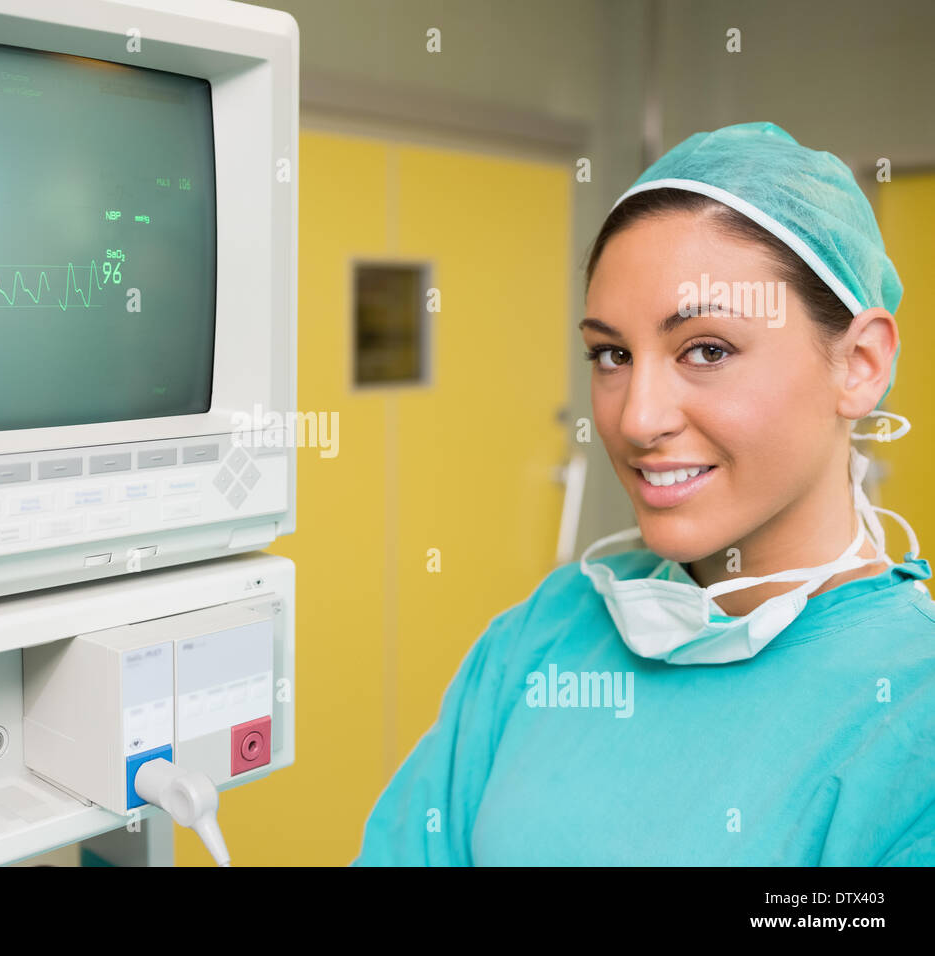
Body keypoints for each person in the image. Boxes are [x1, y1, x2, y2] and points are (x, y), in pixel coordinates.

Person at [353, 122, 935, 866]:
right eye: (612, 354)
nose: (637, 418)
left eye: (707, 350)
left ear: (859, 364)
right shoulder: (547, 634)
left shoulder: (911, 715)